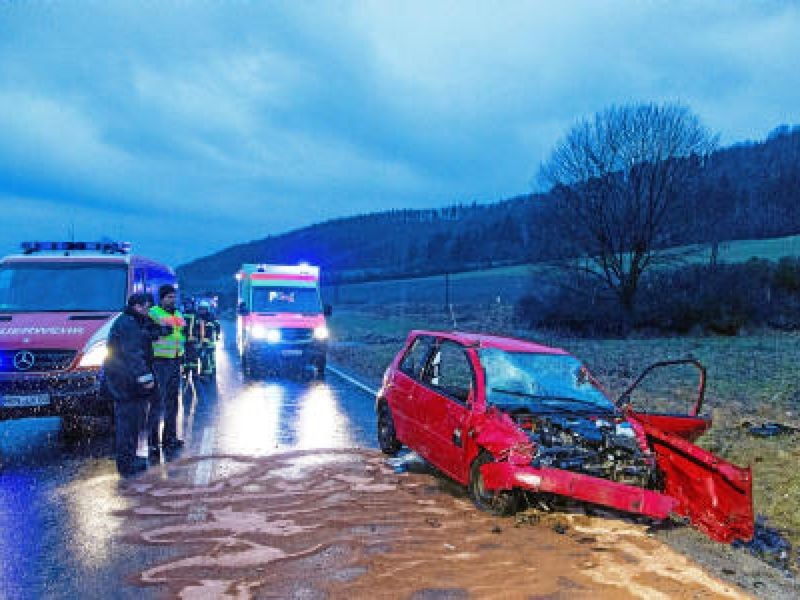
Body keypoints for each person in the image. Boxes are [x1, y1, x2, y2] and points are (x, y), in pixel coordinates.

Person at [103, 293, 156, 476]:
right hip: (125, 382)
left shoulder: (131, 321)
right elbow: (133, 354)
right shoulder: (128, 324)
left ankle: (130, 458)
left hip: (125, 380)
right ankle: (126, 465)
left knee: (132, 422)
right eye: (147, 307)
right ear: (137, 307)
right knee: (127, 423)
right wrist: (146, 378)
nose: (149, 311)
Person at [148, 284, 186, 452]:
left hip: (175, 361)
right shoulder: (154, 313)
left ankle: (170, 437)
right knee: (157, 402)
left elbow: (180, 334)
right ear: (161, 298)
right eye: (169, 297)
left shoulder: (177, 313)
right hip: (160, 362)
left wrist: (183, 355)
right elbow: (149, 333)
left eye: (173, 296)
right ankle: (153, 442)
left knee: (173, 401)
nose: (172, 299)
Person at [196, 300, 221, 379]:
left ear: (207, 309)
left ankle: (208, 373)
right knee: (206, 357)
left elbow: (217, 326)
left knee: (208, 357)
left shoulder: (211, 317)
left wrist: (217, 334)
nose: (202, 311)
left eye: (204, 309)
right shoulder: (197, 317)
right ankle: (209, 372)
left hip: (209, 341)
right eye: (200, 309)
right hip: (201, 341)